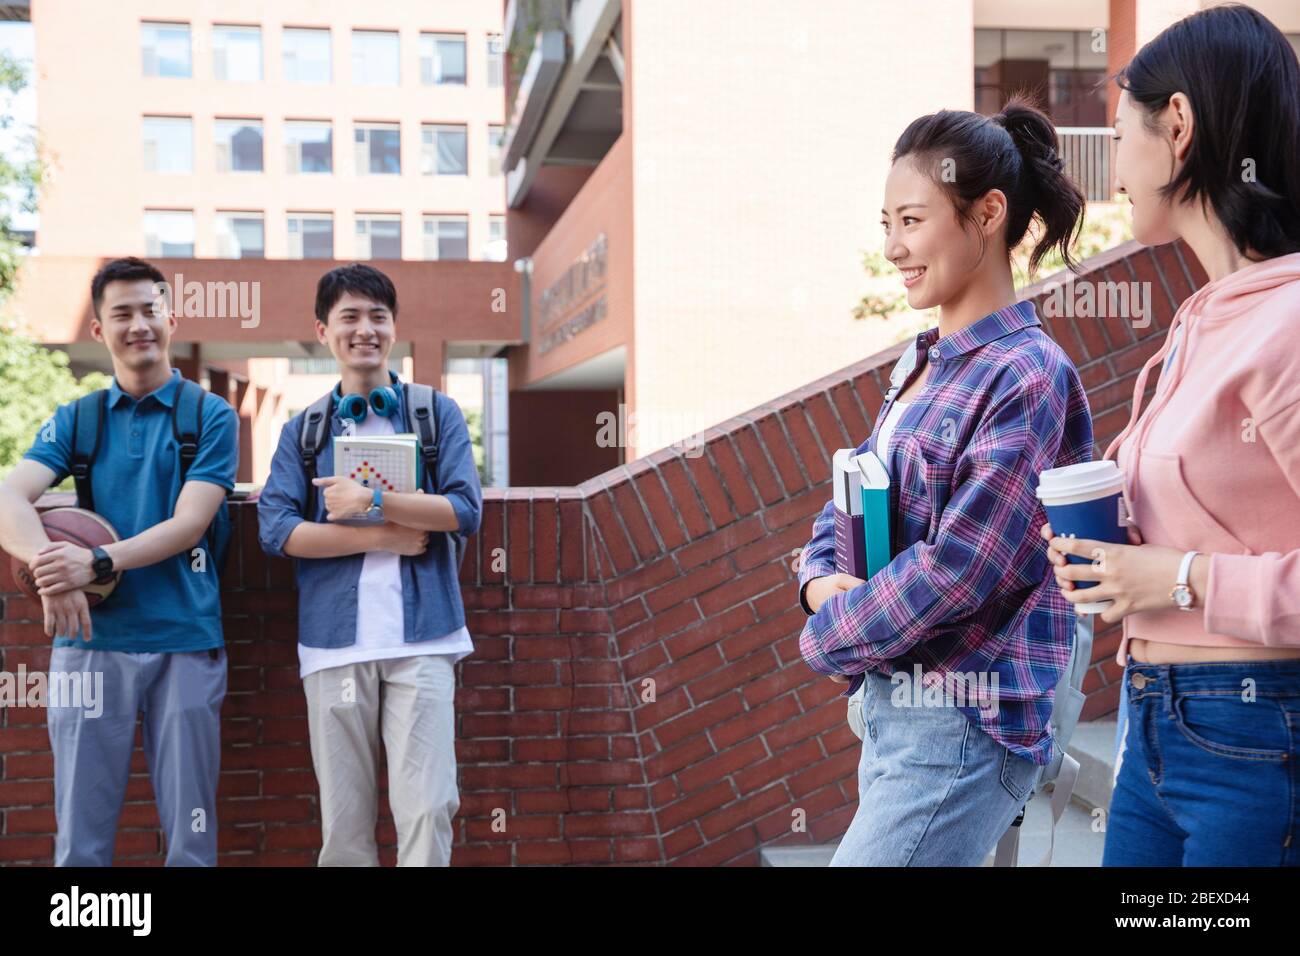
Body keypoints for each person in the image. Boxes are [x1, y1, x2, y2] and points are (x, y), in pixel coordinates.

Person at [796, 98, 1093, 866]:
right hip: (897, 711)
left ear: (987, 213)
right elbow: (852, 492)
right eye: (886, 224)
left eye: (912, 220)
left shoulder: (1027, 374)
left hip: (967, 723)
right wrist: (815, 577)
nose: (893, 247)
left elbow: (962, 569)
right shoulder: (921, 361)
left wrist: (831, 625)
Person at [1042, 4, 1300, 867]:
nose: (1112, 168)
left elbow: (1193, 570)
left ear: (1178, 125)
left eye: (1119, 134)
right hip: (1156, 722)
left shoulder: (1289, 322)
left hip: (1257, 731)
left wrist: (1180, 577)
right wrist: (1113, 564)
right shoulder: (1201, 317)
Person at [0, 256, 238, 866]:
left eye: (150, 310)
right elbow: (7, 496)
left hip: (184, 636)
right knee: (79, 842)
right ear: (99, 331)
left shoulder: (208, 416)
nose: (139, 325)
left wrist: (95, 562)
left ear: (171, 319)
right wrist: (51, 568)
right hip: (89, 642)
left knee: (191, 838)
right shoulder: (76, 419)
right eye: (121, 314)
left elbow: (190, 524)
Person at [257, 263, 482, 866]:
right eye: (349, 317)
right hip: (334, 647)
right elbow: (276, 530)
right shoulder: (303, 430)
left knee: (431, 807)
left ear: (394, 327)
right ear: (323, 330)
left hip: (424, 637)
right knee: (346, 826)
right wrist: (379, 536)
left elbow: (464, 510)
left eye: (377, 317)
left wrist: (372, 500)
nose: (365, 330)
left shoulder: (435, 414)